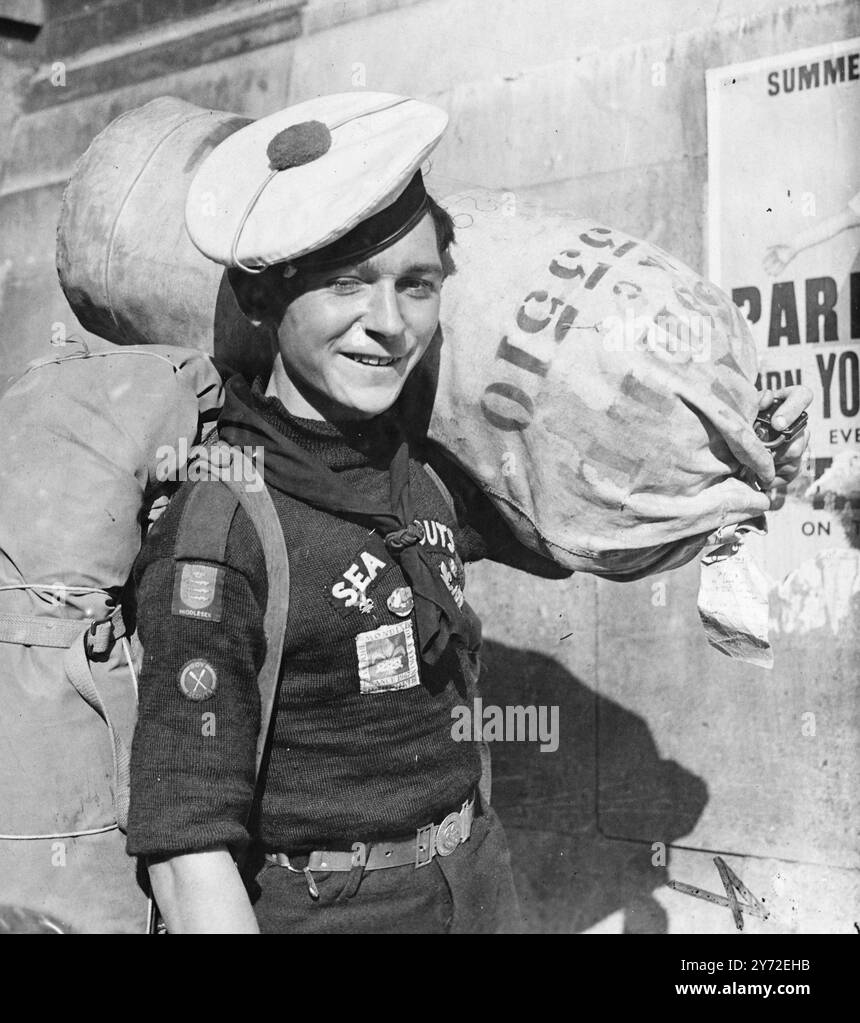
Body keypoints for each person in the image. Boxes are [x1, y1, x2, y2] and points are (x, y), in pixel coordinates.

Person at [123, 92, 811, 934]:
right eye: (346, 286)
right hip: (332, 911)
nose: (388, 323)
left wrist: (727, 464)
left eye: (416, 284)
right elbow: (188, 849)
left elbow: (567, 536)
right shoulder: (222, 529)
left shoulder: (419, 476)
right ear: (264, 304)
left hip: (477, 881)